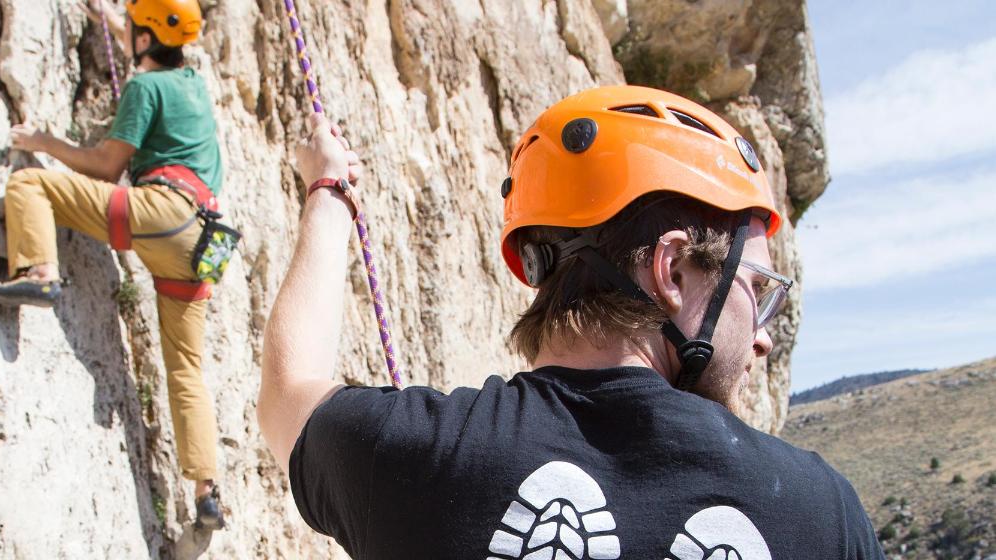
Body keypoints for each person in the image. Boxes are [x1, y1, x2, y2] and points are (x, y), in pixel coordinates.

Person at [259, 86, 885, 558]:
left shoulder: (423, 455)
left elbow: (289, 392)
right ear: (671, 270)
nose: (765, 335)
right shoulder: (822, 515)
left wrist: (328, 189)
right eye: (758, 289)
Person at [0, 0, 227, 530]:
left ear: (146, 38)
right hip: (201, 242)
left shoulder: (144, 89)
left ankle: (38, 272)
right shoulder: (190, 83)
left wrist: (42, 142)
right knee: (186, 368)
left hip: (159, 214)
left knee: (30, 183)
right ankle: (206, 491)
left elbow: (106, 165)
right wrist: (114, 19)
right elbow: (147, 47)